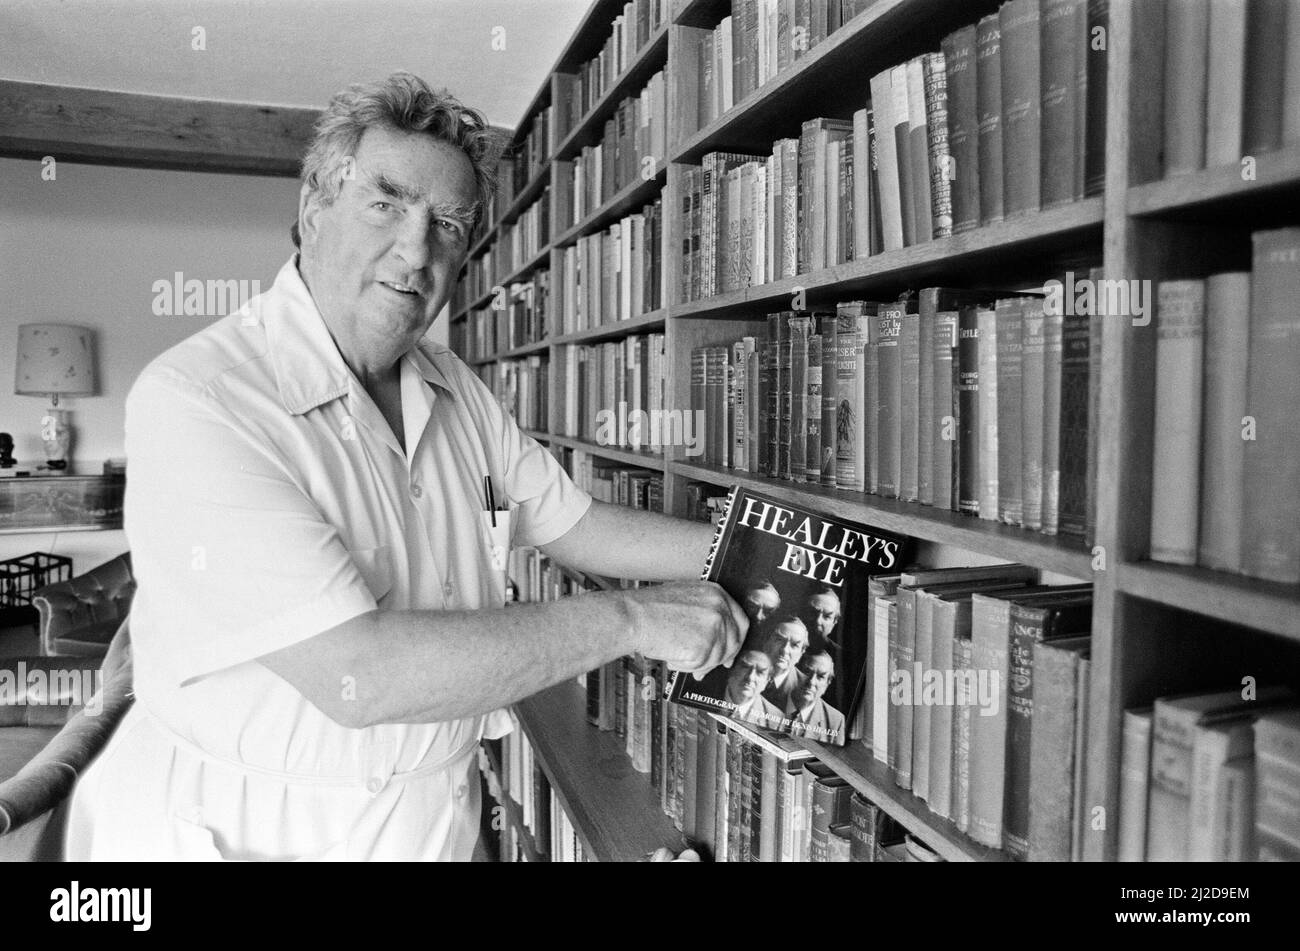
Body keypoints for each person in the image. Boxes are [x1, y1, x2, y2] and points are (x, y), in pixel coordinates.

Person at [65, 73, 746, 862]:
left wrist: (775, 554)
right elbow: (362, 673)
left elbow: (575, 525)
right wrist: (633, 619)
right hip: (238, 831)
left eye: (449, 224)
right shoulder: (200, 399)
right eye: (385, 202)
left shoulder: (455, 388)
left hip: (423, 827)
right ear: (314, 208)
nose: (416, 249)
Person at [784, 651, 845, 745]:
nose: (811, 682)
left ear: (828, 682)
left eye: (820, 677)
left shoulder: (836, 721)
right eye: (807, 672)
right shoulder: (768, 700)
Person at [723, 650, 784, 729]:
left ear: (767, 681)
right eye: (745, 667)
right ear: (732, 669)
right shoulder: (705, 691)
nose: (750, 677)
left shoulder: (776, 720)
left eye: (760, 672)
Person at [759, 616, 807, 710]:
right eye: (779, 640)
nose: (785, 650)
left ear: (801, 652)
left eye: (794, 645)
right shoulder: (742, 668)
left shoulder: (807, 688)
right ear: (766, 641)